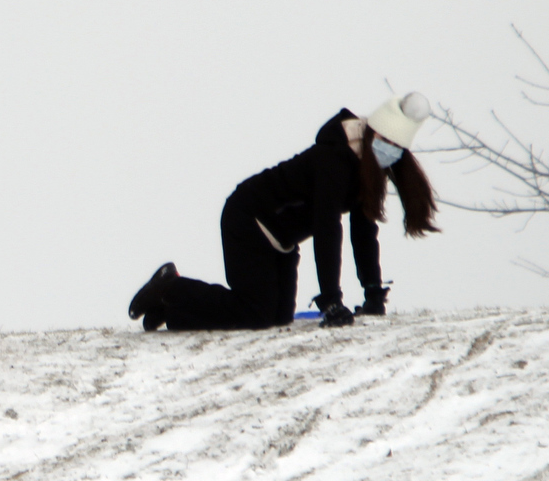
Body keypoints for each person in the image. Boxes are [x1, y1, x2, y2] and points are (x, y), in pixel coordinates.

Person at [126, 93, 441, 330]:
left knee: (277, 321)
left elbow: (364, 230)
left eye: (397, 149)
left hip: (281, 242)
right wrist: (331, 300)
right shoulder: (333, 159)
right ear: (372, 133)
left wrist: (373, 292)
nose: (391, 152)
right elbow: (328, 228)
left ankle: (174, 308)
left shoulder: (370, 168)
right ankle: (170, 286)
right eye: (386, 142)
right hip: (249, 219)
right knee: (256, 315)